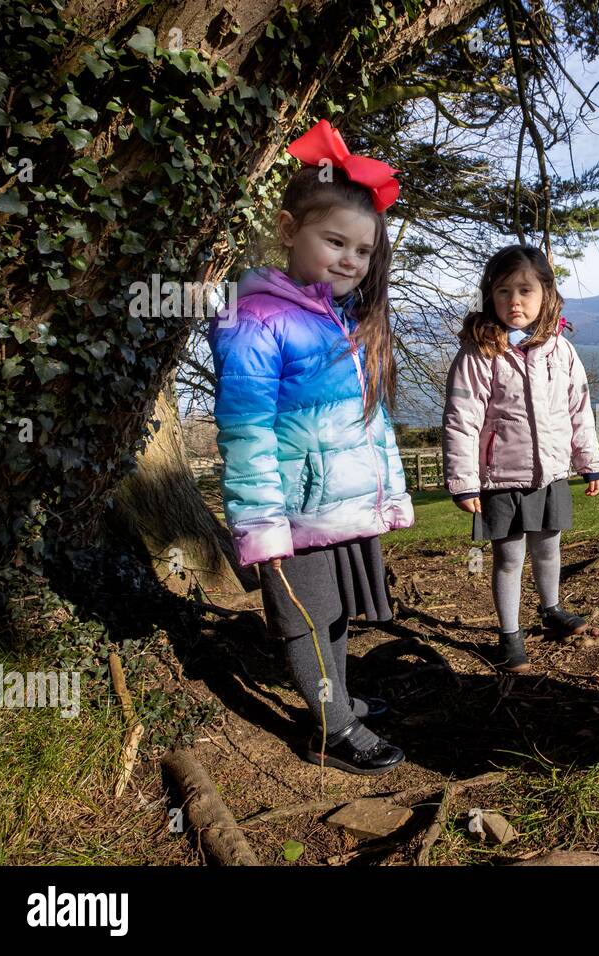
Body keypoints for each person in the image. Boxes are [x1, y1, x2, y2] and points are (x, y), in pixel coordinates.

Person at [210, 119, 414, 775]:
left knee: (333, 617)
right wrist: (260, 526)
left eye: (363, 249)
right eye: (336, 241)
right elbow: (245, 432)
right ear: (288, 228)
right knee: (304, 620)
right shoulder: (257, 317)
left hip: (336, 506)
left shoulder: (337, 317)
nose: (352, 260)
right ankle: (330, 731)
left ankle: (340, 701)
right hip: (291, 515)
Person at [442, 245, 599, 673]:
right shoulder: (480, 353)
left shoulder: (562, 351)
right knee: (510, 559)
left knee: (549, 550)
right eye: (503, 291)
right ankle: (510, 635)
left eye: (525, 290)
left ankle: (551, 609)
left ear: (546, 295)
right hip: (501, 479)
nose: (514, 301)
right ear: (489, 296)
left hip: (550, 475)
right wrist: (464, 481)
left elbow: (579, 410)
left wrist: (589, 461)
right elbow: (461, 419)